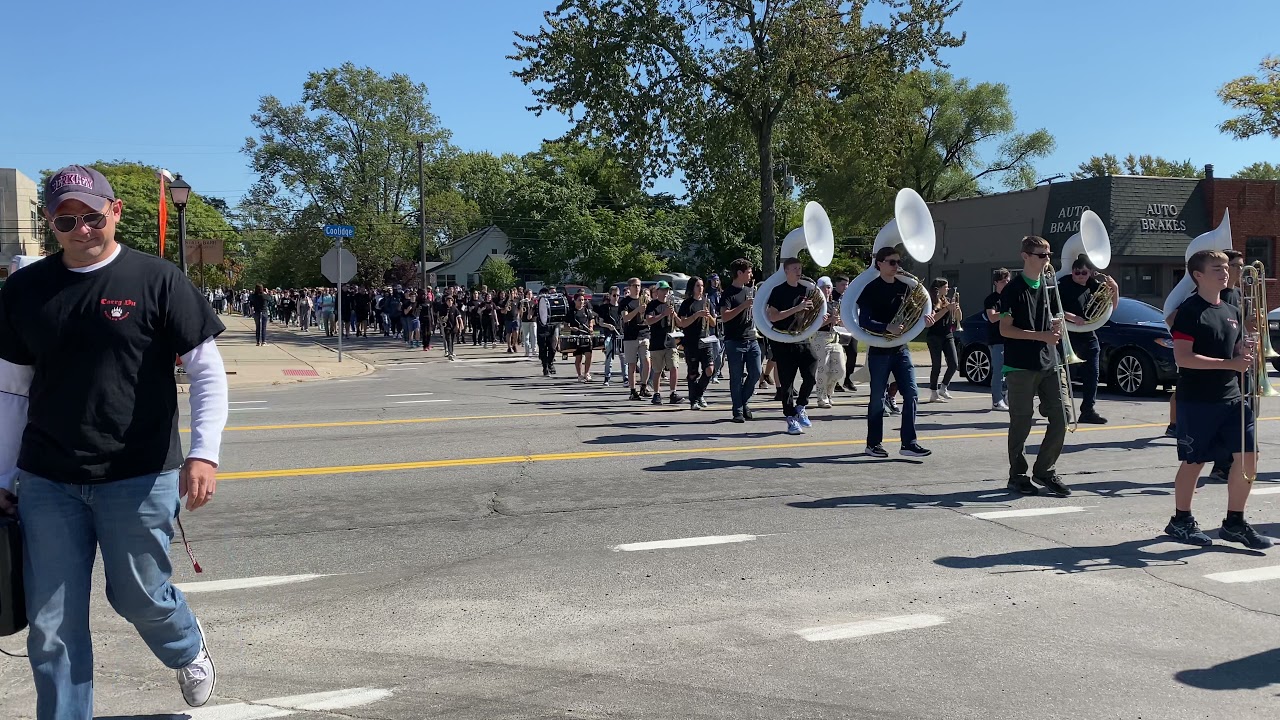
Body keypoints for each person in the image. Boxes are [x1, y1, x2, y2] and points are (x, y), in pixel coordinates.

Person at [0, 166, 225, 718]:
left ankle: (186, 647)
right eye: (66, 220)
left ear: (115, 211)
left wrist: (203, 452)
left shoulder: (158, 279)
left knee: (137, 595)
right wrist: (3, 477)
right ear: (50, 223)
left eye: (92, 217)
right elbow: (11, 390)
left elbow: (207, 372)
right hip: (48, 478)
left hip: (139, 473)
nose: (81, 229)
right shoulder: (26, 290)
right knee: (51, 623)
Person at [1163, 249, 1271, 549]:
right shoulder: (1189, 311)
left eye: (1225, 267)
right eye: (1216, 268)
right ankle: (1180, 519)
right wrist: (1229, 365)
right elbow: (1183, 358)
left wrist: (1243, 354)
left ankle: (1234, 522)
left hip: (1234, 398)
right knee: (1194, 462)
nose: (1225, 272)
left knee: (1248, 458)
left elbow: (1233, 352)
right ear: (1198, 275)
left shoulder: (1231, 309)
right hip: (1199, 399)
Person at [1000, 236, 1072, 497]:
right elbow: (1005, 330)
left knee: (1062, 416)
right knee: (1021, 422)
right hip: (1019, 365)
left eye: (1049, 255)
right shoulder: (1013, 289)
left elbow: (1053, 316)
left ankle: (1045, 470)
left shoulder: (1049, 284)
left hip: (1049, 360)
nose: (1047, 260)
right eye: (1041, 255)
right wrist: (1041, 335)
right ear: (1025, 256)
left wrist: (1055, 326)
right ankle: (1017, 475)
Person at [856, 246, 933, 457]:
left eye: (898, 262)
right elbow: (864, 321)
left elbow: (914, 313)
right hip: (879, 349)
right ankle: (873, 444)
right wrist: (885, 327)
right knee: (877, 398)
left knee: (912, 393)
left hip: (901, 349)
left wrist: (925, 320)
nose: (896, 266)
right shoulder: (870, 288)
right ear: (879, 264)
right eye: (892, 262)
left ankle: (908, 443)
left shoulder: (905, 287)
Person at [1056, 258, 1119, 424]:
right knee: (1064, 375)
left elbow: (1110, 307)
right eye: (1077, 272)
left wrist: (1115, 288)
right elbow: (1054, 307)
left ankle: (1088, 411)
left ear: (1090, 272)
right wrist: (1072, 317)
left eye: (1084, 273)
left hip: (1088, 335)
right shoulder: (1063, 283)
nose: (1080, 276)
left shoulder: (1093, 284)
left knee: (1092, 375)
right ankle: (1061, 409)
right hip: (1068, 333)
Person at [764, 258, 819, 435]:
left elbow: (813, 312)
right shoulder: (778, 291)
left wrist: (820, 317)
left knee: (811, 375)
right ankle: (790, 418)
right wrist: (797, 308)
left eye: (800, 268)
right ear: (786, 271)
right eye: (795, 268)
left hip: (802, 338)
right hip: (783, 340)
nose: (798, 271)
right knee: (787, 383)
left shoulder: (807, 290)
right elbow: (773, 317)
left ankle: (801, 406)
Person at [718, 259, 761, 423]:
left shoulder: (750, 290)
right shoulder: (728, 293)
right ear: (740, 273)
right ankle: (738, 410)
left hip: (752, 338)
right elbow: (725, 316)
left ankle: (743, 403)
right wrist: (744, 305)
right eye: (748, 272)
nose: (751, 275)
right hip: (734, 341)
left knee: (756, 372)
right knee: (736, 377)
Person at [677, 276, 716, 410]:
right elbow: (682, 323)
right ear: (692, 288)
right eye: (698, 286)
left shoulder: (707, 302)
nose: (701, 288)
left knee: (710, 369)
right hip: (691, 341)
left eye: (702, 286)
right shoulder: (687, 304)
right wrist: (696, 316)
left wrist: (708, 316)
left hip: (706, 340)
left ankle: (698, 394)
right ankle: (694, 400)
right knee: (693, 373)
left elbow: (713, 323)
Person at [809, 276, 846, 409]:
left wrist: (840, 321)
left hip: (834, 337)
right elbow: (811, 326)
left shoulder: (835, 304)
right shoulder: (815, 305)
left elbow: (841, 322)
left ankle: (829, 392)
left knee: (840, 370)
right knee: (823, 369)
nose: (827, 290)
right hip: (820, 337)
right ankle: (821, 397)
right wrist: (828, 321)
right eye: (824, 287)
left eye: (829, 287)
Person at [644, 282, 683, 406]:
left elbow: (679, 323)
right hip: (656, 341)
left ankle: (673, 393)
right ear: (658, 291)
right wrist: (663, 314)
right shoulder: (652, 305)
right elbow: (649, 320)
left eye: (667, 290)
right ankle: (656, 394)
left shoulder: (670, 305)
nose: (666, 292)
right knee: (657, 370)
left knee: (674, 367)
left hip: (670, 340)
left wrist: (674, 315)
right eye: (664, 290)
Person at [925, 278, 962, 403]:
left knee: (954, 364)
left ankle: (944, 387)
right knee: (936, 365)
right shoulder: (931, 302)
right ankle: (933, 392)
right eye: (945, 287)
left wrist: (956, 309)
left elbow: (959, 318)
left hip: (948, 334)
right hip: (934, 335)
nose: (947, 289)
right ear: (938, 288)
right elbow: (932, 319)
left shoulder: (945, 300)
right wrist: (946, 309)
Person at [984, 269, 1011, 410]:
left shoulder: (1011, 297)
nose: (1006, 283)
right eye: (1002, 281)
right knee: (999, 371)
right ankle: (997, 400)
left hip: (1011, 338)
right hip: (997, 340)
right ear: (995, 283)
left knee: (1010, 371)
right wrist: (1006, 314)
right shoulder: (991, 299)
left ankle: (1006, 396)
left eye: (1008, 280)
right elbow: (992, 317)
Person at [620, 278, 652, 400]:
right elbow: (626, 318)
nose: (637, 288)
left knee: (647, 361)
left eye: (639, 285)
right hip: (630, 335)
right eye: (634, 286)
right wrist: (637, 310)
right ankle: (633, 391)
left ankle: (644, 386)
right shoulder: (625, 302)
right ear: (629, 287)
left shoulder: (644, 300)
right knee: (632, 365)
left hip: (644, 333)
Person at [568, 292, 597, 381]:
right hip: (576, 336)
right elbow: (565, 325)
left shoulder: (586, 311)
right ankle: (579, 375)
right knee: (578, 357)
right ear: (575, 301)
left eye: (583, 300)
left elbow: (591, 319)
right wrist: (571, 328)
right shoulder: (571, 312)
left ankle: (587, 373)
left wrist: (591, 327)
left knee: (589, 355)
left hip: (586, 336)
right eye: (579, 300)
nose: (581, 302)